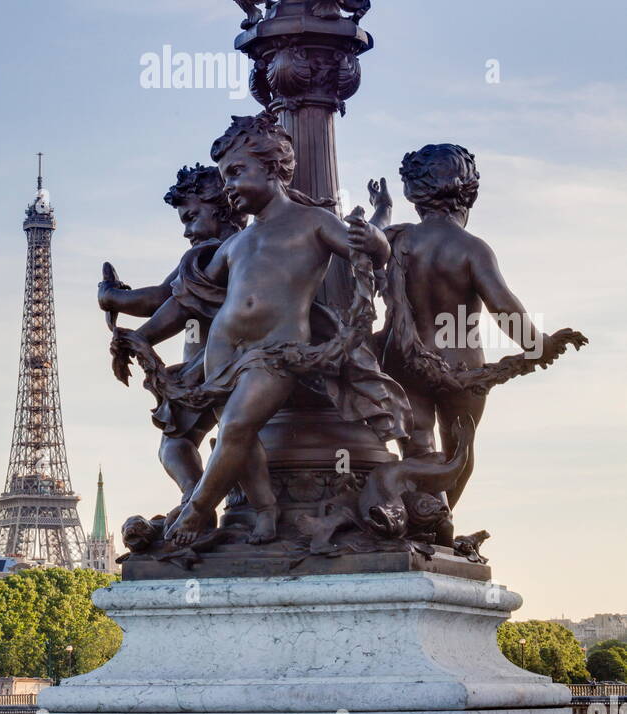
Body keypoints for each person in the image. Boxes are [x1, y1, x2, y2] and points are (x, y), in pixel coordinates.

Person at [165, 112, 410, 546]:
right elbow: (185, 294)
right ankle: (265, 508)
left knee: (238, 428)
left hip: (277, 350)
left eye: (237, 172)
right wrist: (139, 328)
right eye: (224, 178)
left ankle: (197, 509)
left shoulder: (312, 220)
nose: (229, 186)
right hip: (223, 347)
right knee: (236, 436)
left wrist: (376, 240)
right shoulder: (235, 242)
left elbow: (373, 253)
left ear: (274, 166)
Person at [380, 143, 577, 529]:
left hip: (404, 359)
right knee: (459, 456)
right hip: (462, 369)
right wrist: (538, 344)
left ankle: (412, 526)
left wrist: (380, 208)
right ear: (468, 194)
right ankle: (436, 524)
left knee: (418, 450)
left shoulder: (397, 242)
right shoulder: (470, 248)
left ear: (413, 195)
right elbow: (503, 306)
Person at [98, 164, 244, 511]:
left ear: (219, 207)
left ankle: (196, 504)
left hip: (209, 368)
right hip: (225, 362)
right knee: (231, 438)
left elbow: (161, 299)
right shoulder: (246, 249)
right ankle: (205, 503)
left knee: (176, 442)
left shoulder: (209, 253)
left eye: (191, 217)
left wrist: (111, 298)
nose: (187, 231)